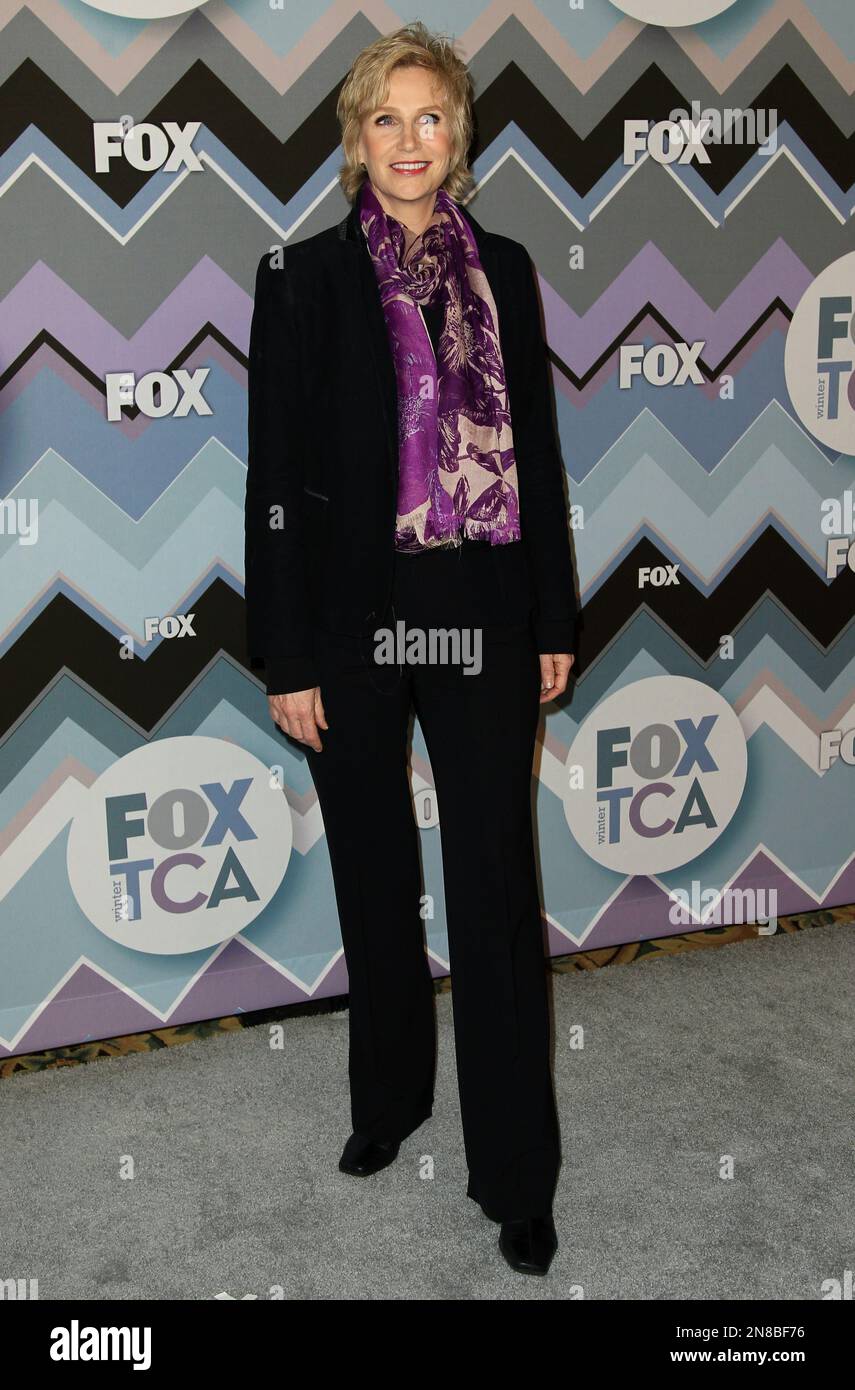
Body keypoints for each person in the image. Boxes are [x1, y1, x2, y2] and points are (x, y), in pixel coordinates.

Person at [244, 20, 578, 1277]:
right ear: (355, 135)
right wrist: (287, 653)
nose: (409, 140)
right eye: (386, 117)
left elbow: (535, 458)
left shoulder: (511, 268)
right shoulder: (302, 282)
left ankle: (517, 1173)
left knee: (494, 886)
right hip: (352, 622)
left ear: (461, 136)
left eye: (431, 116)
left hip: (484, 607)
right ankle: (388, 1104)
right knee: (378, 876)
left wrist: (551, 617)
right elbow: (275, 479)